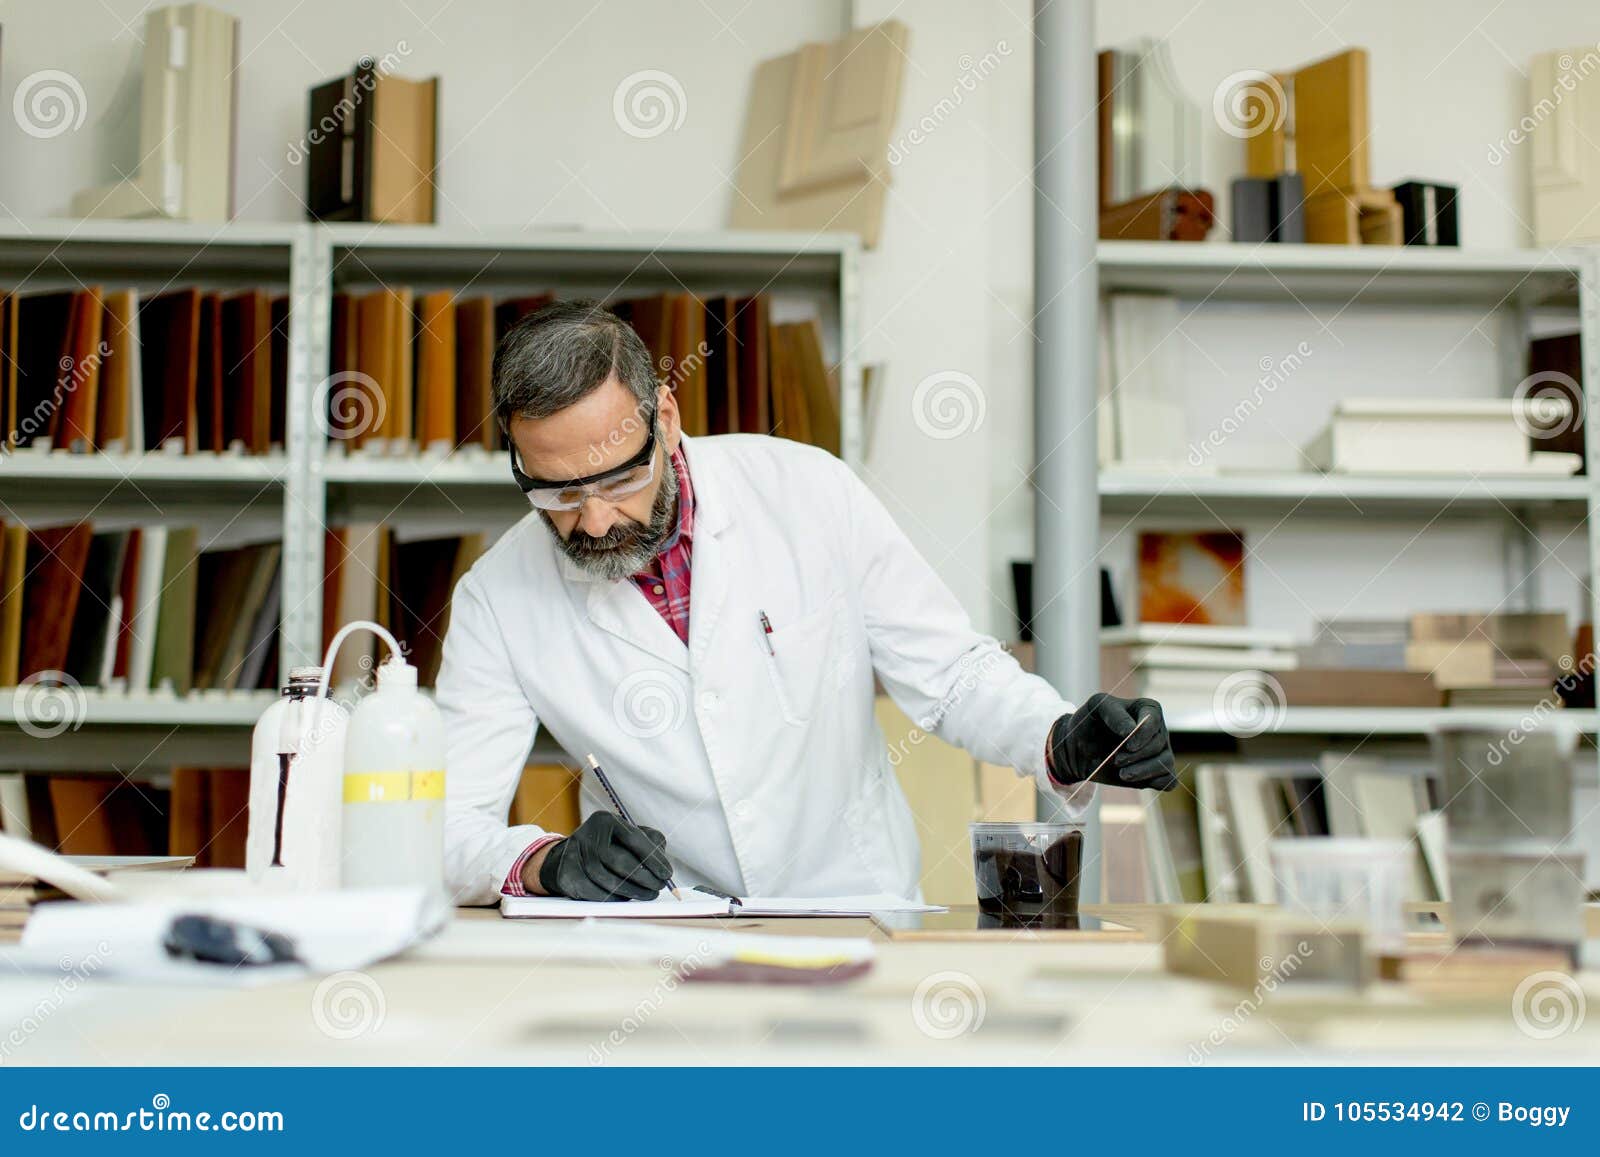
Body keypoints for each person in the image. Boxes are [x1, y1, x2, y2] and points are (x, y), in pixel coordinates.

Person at [436, 300, 1175, 906]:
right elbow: (443, 826)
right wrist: (546, 862)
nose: (593, 521)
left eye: (618, 481)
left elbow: (951, 676)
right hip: (659, 935)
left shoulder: (808, 490)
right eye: (557, 493)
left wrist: (1057, 735)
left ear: (666, 417)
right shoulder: (497, 597)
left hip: (854, 912)